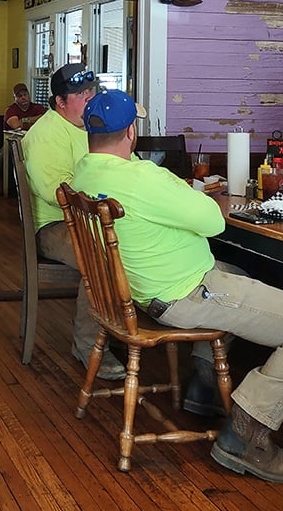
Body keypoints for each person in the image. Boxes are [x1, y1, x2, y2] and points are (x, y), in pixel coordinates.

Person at [73, 88, 283, 483]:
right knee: (239, 279)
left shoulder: (84, 171)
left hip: (138, 292)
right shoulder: (142, 178)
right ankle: (246, 432)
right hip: (184, 294)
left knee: (236, 271)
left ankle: (204, 386)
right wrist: (196, 193)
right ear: (131, 132)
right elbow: (214, 222)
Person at [21, 63, 126, 380]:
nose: (89, 97)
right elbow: (58, 192)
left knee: (141, 245)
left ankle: (129, 329)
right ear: (60, 102)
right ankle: (88, 344)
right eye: (80, 94)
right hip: (54, 226)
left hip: (99, 218)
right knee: (102, 254)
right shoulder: (45, 135)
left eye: (92, 91)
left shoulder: (93, 126)